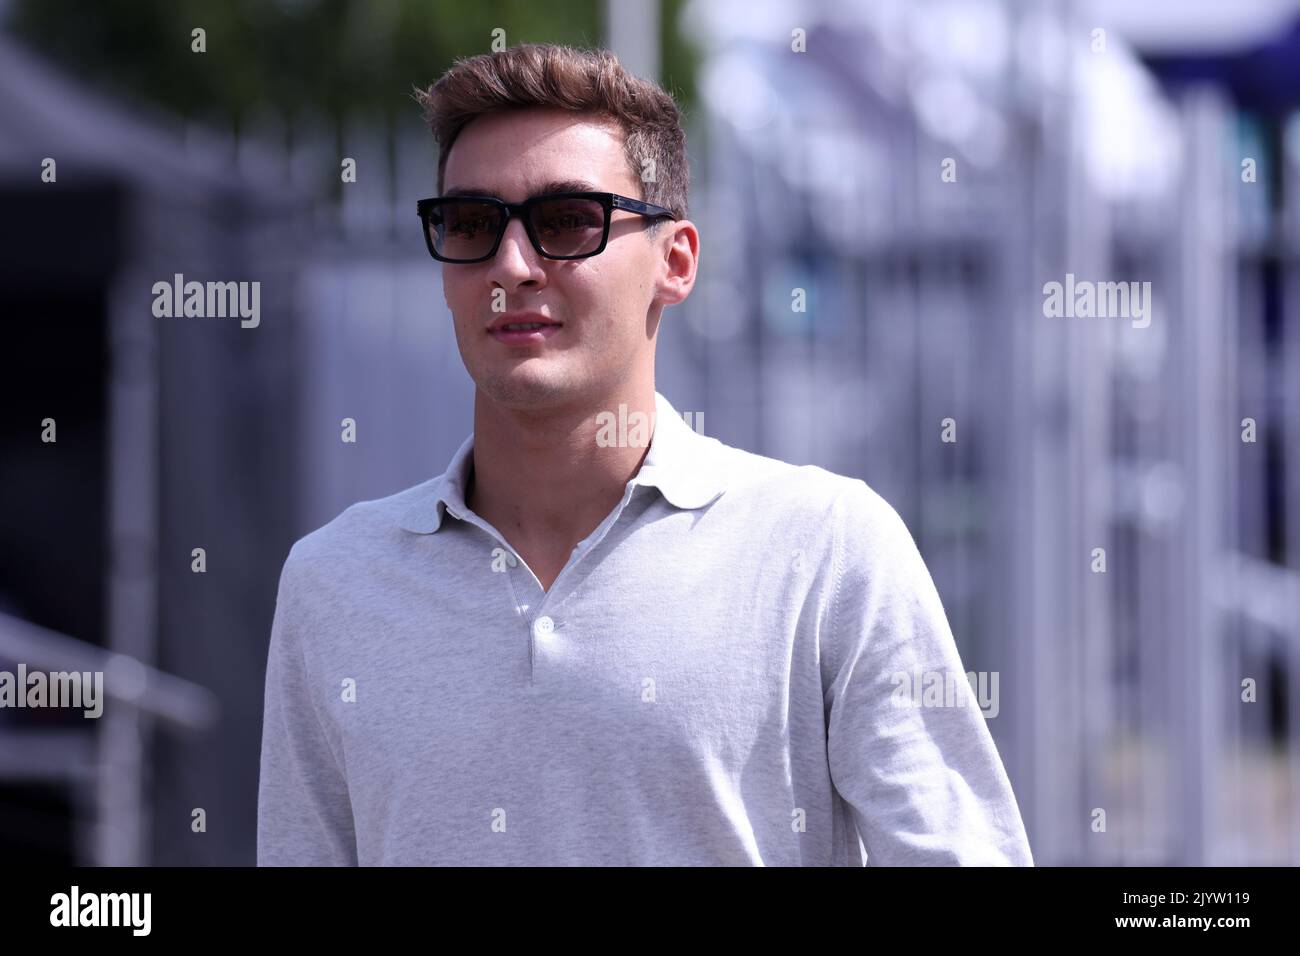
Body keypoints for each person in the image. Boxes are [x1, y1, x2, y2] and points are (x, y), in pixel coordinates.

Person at [256, 42, 1033, 866]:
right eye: (473, 224)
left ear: (676, 260)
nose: (512, 267)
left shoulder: (826, 551)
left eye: (566, 221)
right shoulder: (334, 581)